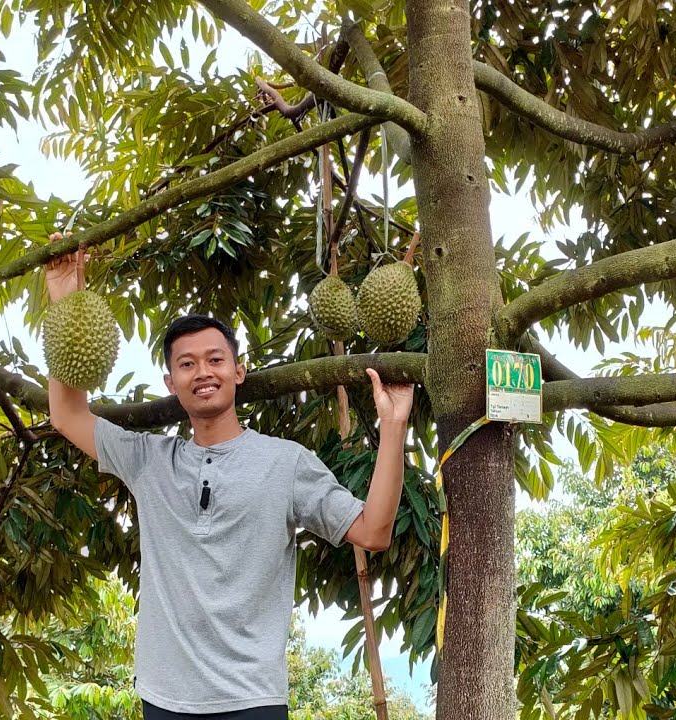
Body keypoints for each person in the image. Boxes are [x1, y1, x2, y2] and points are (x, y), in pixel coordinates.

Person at [43, 238, 414, 719]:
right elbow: (67, 414)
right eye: (187, 364)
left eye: (216, 359)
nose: (203, 372)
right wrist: (63, 297)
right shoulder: (148, 460)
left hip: (252, 699)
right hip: (163, 698)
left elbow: (374, 530)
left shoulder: (286, 462)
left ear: (239, 372)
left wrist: (393, 426)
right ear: (170, 383)